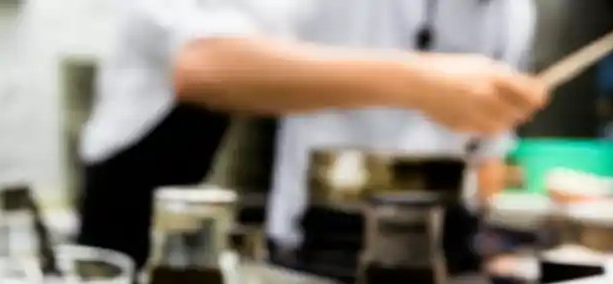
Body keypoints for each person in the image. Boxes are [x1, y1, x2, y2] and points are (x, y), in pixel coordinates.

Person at [79, 0, 549, 269]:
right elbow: (209, 66)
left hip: (444, 239)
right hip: (321, 233)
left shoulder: (512, 11)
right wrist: (422, 82)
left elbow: (489, 158)